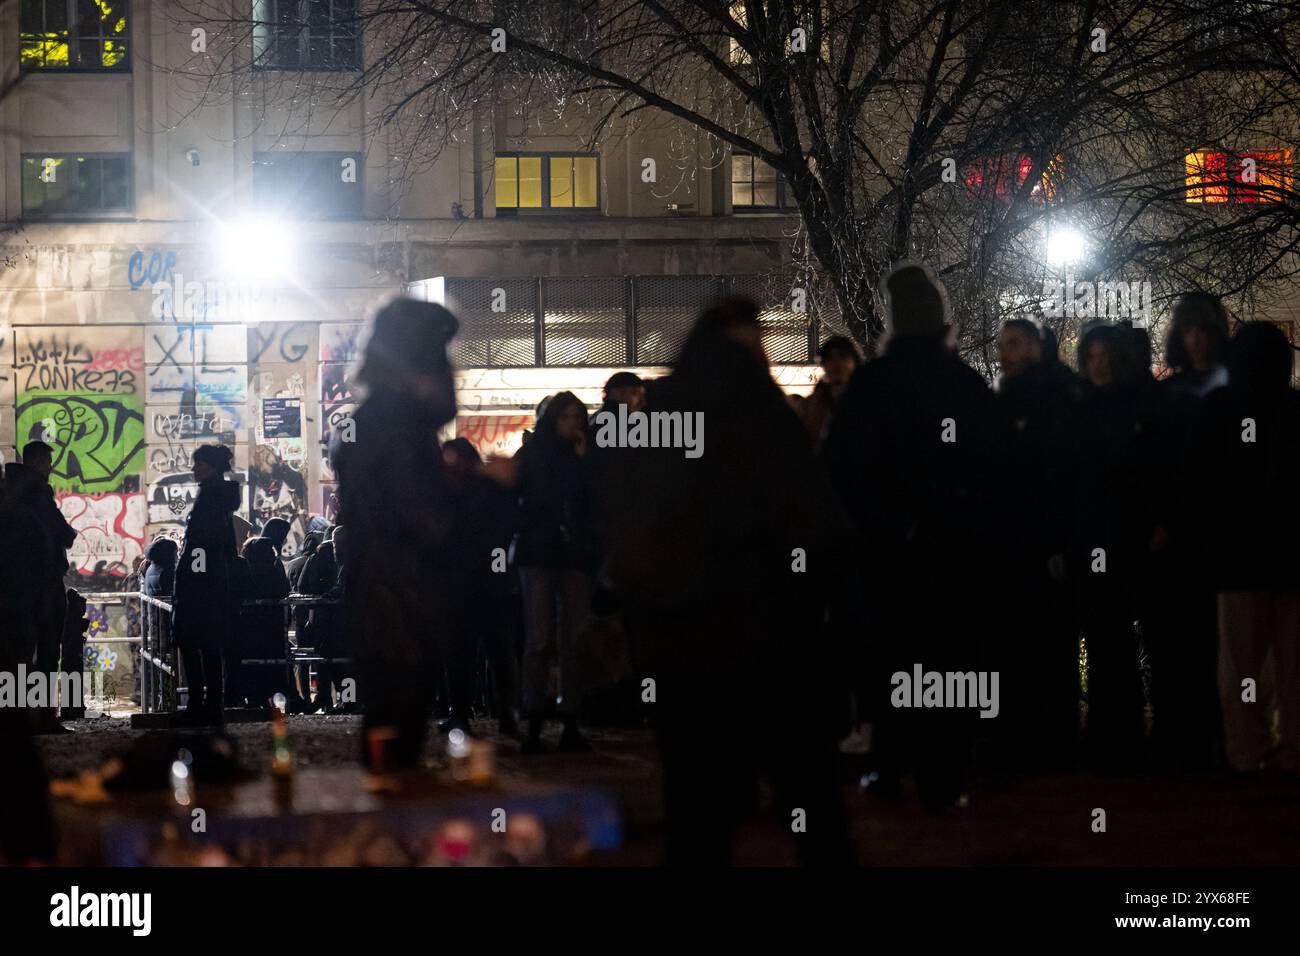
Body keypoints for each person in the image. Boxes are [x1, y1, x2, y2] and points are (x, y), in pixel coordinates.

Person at [603, 296, 852, 864]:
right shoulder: (765, 415)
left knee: (696, 815)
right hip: (772, 638)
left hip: (687, 643)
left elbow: (631, 530)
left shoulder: (662, 412)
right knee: (808, 794)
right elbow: (817, 522)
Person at [824, 262, 997, 812]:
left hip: (886, 556)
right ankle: (943, 774)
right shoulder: (963, 383)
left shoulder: (871, 386)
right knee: (950, 662)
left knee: (891, 660)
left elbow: (838, 470)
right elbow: (995, 467)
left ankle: (888, 764)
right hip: (954, 554)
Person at [333, 298, 462, 770]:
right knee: (397, 731)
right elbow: (419, 517)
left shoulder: (377, 423)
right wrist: (478, 495)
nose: (451, 373)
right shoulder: (398, 427)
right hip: (401, 602)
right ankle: (389, 829)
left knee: (394, 727)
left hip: (388, 600)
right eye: (441, 357)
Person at [1186, 322, 1300, 775]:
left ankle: (1246, 749)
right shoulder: (1294, 409)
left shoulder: (1219, 408)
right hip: (1292, 558)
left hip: (1238, 558)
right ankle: (1292, 749)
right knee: (1292, 666)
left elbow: (1197, 482)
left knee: (1241, 666)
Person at [991, 319, 1082, 769]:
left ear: (1032, 347)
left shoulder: (1039, 395)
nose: (1005, 352)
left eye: (1013, 344)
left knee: (1042, 640)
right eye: (1003, 344)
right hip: (1030, 541)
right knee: (1043, 642)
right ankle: (1050, 737)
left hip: (1037, 540)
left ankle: (1041, 739)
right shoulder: (1042, 391)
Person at [513, 391, 597, 754]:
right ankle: (534, 719)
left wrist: (583, 459)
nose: (573, 425)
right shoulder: (532, 455)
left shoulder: (583, 457)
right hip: (541, 552)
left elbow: (595, 499)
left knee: (573, 639)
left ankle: (569, 718)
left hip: (572, 555)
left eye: (578, 419)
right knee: (540, 638)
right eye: (566, 418)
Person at [9, 442, 78, 733]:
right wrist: (68, 533)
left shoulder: (10, 492)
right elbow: (61, 531)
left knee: (20, 653)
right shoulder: (37, 490)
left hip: (16, 585)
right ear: (37, 462)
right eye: (48, 461)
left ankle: (19, 716)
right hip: (44, 582)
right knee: (49, 651)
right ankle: (45, 717)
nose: (51, 467)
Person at [171, 444, 242, 726]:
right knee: (209, 645)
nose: (194, 469)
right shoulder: (218, 497)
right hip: (212, 583)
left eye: (198, 464)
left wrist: (190, 574)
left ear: (211, 467)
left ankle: (201, 704)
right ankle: (210, 703)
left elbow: (202, 544)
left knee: (192, 642)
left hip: (200, 586)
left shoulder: (210, 499)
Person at [231, 536, 291, 708]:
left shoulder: (246, 572)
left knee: (253, 668)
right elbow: (284, 590)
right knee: (273, 667)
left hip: (250, 629)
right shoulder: (275, 572)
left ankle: (253, 698)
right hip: (273, 629)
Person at [1163, 292, 1231, 398]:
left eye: (1203, 329)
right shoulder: (1167, 392)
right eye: (1187, 330)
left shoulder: (1237, 387)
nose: (1194, 339)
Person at [800, 335, 863, 448]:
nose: (836, 363)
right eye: (830, 358)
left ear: (854, 362)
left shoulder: (868, 400)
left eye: (842, 356)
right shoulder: (811, 404)